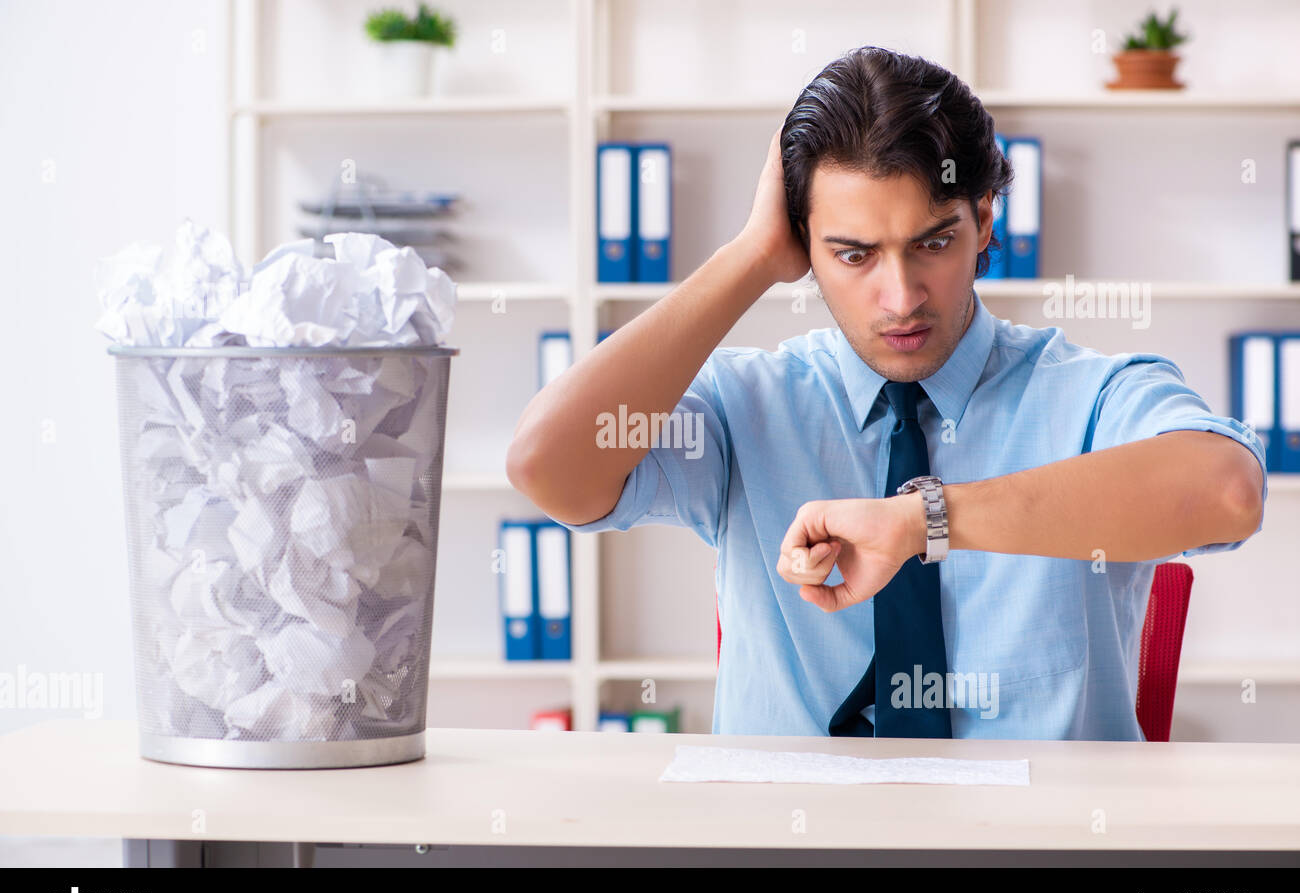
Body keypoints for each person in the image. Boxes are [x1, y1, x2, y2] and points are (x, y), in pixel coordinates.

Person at [506, 45, 1266, 739]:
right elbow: (548, 466)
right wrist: (750, 256)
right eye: (854, 253)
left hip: (1037, 844)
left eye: (933, 242)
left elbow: (1229, 493)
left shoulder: (1092, 394)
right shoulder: (749, 405)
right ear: (805, 243)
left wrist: (922, 521)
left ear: (985, 221)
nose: (900, 296)